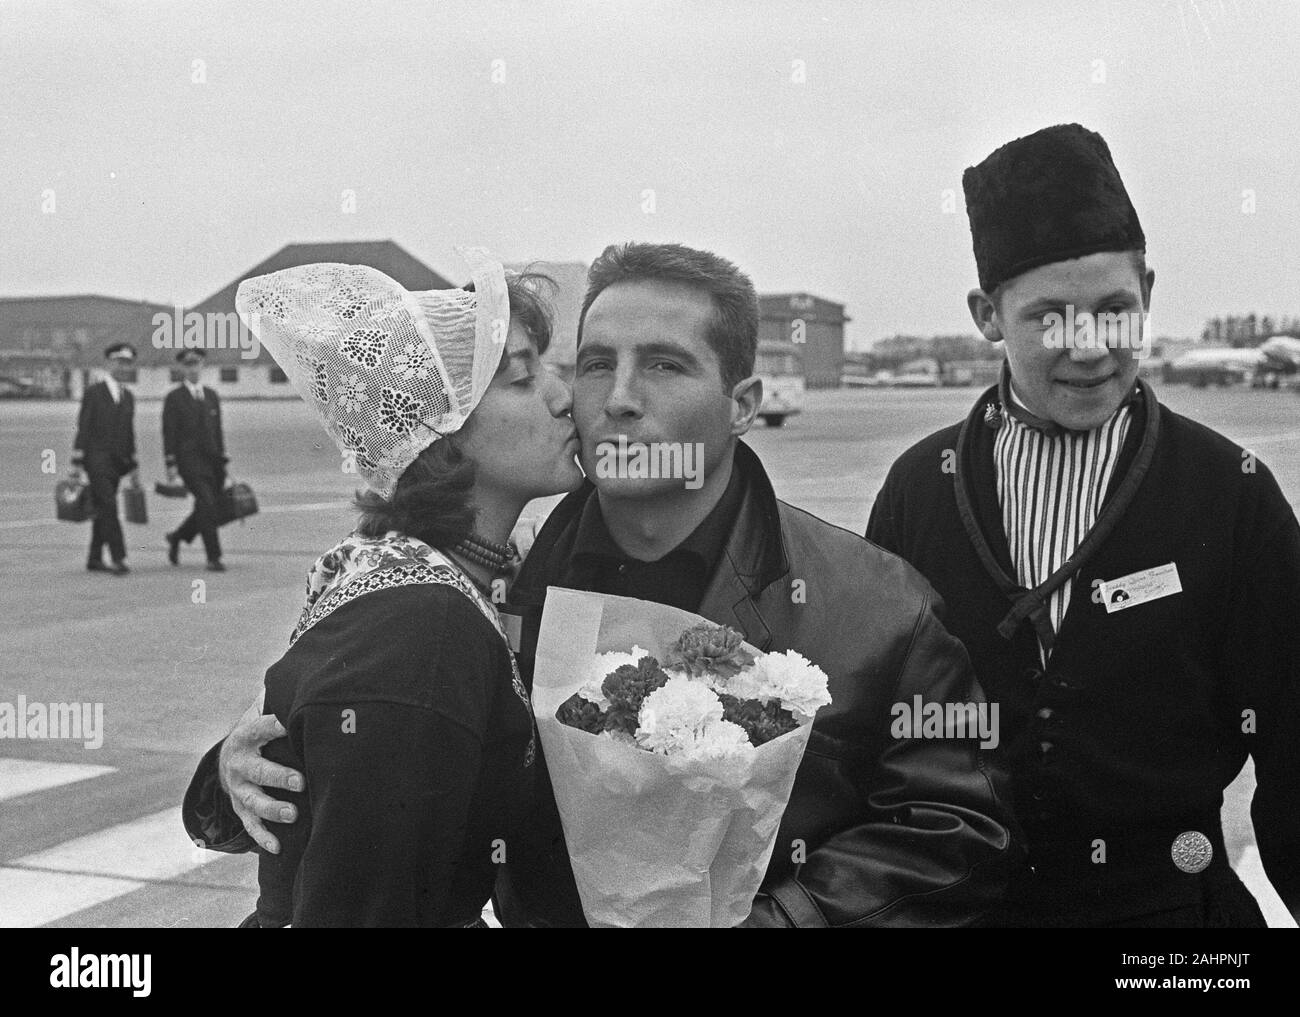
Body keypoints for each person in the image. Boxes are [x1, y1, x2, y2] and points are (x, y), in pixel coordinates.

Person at [188, 242, 1018, 928]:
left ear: (744, 402)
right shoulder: (490, 592)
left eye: (663, 365)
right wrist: (230, 771)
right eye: (591, 365)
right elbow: (359, 748)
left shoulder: (876, 606)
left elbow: (956, 830)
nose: (615, 400)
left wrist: (783, 920)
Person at [866, 123, 1300, 927]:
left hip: (1169, 929)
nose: (1091, 347)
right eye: (1049, 317)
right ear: (986, 316)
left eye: (1114, 310)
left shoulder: (1230, 495)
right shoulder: (920, 492)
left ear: (1150, 295)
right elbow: (873, 734)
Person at [183, 252, 584, 926]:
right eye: (521, 378)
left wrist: (225, 768)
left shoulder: (401, 571)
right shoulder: (426, 623)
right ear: (440, 437)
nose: (561, 395)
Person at [70, 342, 139, 576]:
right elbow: (84, 427)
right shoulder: (94, 393)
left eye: (127, 363)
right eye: (119, 362)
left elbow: (129, 434)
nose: (122, 367)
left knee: (102, 509)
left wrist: (133, 466)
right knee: (109, 506)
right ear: (108, 363)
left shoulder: (128, 396)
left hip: (118, 463)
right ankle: (119, 557)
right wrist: (77, 463)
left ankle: (94, 557)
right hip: (96, 460)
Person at [163, 349, 230, 571]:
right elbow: (169, 432)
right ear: (182, 368)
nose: (193, 368)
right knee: (206, 502)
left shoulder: (211, 395)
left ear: (202, 366)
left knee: (207, 506)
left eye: (197, 364)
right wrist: (171, 463)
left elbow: (217, 431)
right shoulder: (174, 398)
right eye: (188, 365)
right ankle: (214, 557)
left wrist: (223, 461)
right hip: (189, 462)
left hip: (214, 462)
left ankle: (177, 536)